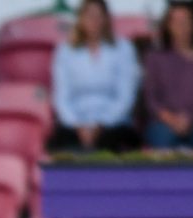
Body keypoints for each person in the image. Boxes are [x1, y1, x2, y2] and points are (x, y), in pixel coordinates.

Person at [49, 0, 142, 153]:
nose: (94, 21)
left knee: (115, 142)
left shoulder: (123, 48)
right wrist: (78, 125)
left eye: (99, 16)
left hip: (114, 122)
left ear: (106, 18)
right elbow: (62, 97)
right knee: (61, 143)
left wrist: (101, 124)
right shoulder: (65, 51)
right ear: (80, 18)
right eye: (89, 16)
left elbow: (125, 96)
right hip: (75, 123)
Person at [145, 3, 193, 151]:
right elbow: (151, 99)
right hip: (164, 122)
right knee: (162, 137)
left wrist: (190, 120)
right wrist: (171, 119)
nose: (181, 26)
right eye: (176, 21)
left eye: (186, 21)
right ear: (168, 25)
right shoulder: (155, 58)